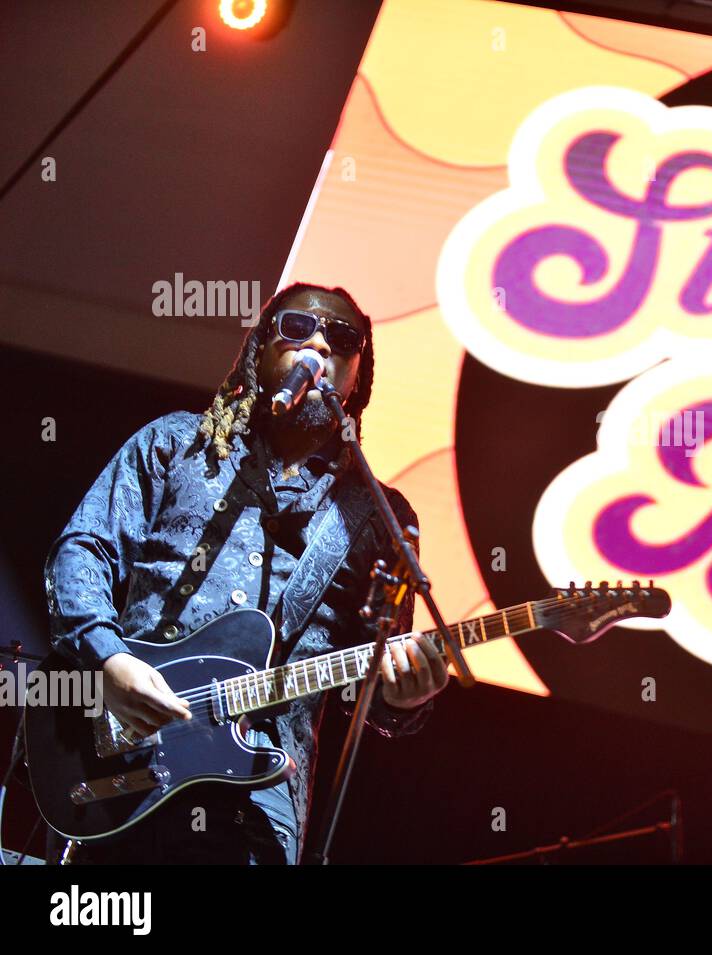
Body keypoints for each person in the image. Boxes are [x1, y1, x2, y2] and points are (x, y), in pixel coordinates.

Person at [41, 282, 449, 864]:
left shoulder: (378, 518)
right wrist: (110, 660)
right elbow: (81, 550)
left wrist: (402, 699)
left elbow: (372, 682)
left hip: (259, 800)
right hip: (123, 757)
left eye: (341, 338)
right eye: (296, 328)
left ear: (358, 375)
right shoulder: (175, 445)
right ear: (259, 349)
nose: (318, 344)